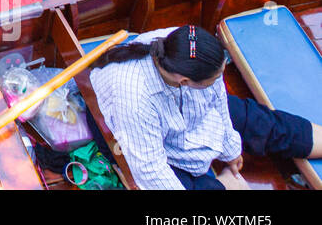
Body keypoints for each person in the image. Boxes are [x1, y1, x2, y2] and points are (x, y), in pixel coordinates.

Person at [90, 25, 322, 190]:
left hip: (184, 113)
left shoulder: (185, 48)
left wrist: (231, 148)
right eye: (214, 78)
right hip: (135, 136)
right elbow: (151, 172)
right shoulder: (135, 100)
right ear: (185, 81)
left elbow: (219, 100)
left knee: (255, 119)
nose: (219, 81)